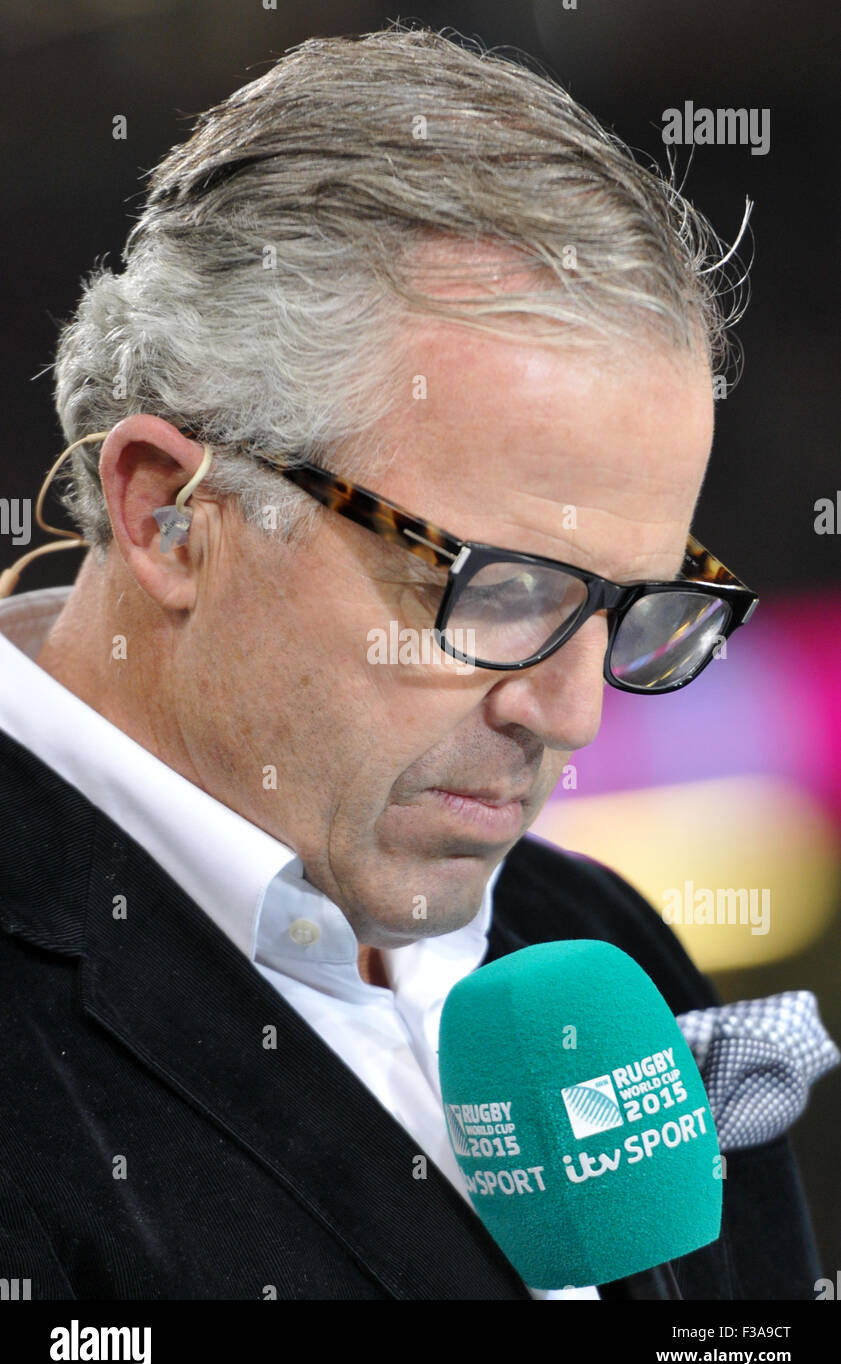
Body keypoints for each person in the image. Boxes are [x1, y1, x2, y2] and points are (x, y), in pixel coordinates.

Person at [0, 26, 821, 1299]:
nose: (572, 713)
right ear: (170, 511)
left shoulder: (604, 948)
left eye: (632, 606)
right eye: (504, 591)